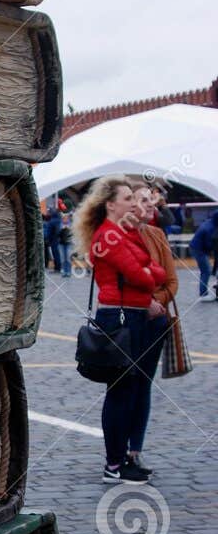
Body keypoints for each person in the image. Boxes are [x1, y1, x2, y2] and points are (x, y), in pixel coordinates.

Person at [74, 176, 168, 483]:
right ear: (110, 204)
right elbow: (142, 277)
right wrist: (147, 272)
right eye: (128, 198)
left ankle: (123, 458)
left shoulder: (123, 233)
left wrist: (147, 271)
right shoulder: (108, 237)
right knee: (121, 390)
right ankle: (113, 464)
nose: (134, 202)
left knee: (132, 389)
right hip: (121, 317)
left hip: (136, 315)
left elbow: (156, 270)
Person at [127, 178, 176, 473]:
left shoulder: (157, 235)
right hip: (126, 322)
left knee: (143, 385)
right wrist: (144, 301)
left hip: (155, 323)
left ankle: (135, 450)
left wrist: (157, 300)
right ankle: (116, 454)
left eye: (151, 200)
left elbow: (172, 280)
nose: (150, 205)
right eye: (143, 200)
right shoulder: (114, 236)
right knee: (122, 387)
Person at [189, 209, 218, 299]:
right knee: (206, 271)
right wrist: (213, 251)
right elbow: (209, 244)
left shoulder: (211, 222)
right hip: (198, 249)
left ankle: (204, 292)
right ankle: (203, 293)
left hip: (197, 247)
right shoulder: (210, 229)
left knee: (206, 270)